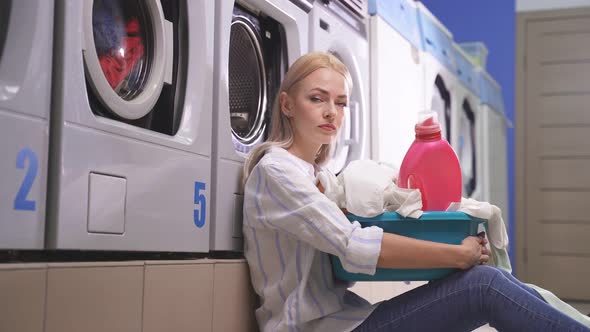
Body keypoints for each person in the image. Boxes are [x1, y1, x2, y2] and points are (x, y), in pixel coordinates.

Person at [241, 52, 590, 332]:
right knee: (483, 286)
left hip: (349, 319)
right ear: (287, 105)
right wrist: (457, 255)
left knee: (489, 281)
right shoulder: (276, 172)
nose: (331, 111)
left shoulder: (318, 176)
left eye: (342, 102)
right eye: (317, 99)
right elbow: (353, 244)